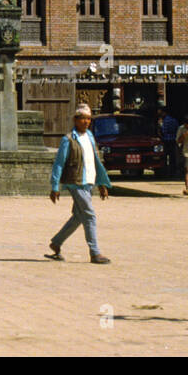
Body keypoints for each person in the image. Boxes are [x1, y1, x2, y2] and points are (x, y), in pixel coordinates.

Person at [46, 103, 112, 264]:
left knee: (78, 217)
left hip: (88, 181)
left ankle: (56, 242)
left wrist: (101, 184)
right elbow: (59, 163)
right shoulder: (68, 140)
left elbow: (95, 161)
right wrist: (55, 187)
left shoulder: (89, 136)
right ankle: (95, 252)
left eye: (88, 119)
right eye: (83, 119)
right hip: (75, 182)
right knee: (89, 215)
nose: (86, 122)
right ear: (76, 120)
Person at [156, 104, 179, 179]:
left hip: (166, 141)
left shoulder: (164, 121)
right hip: (173, 140)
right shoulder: (174, 120)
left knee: (164, 157)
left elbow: (162, 131)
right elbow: (177, 130)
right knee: (173, 157)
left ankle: (165, 172)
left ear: (164, 113)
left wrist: (159, 128)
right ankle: (173, 172)